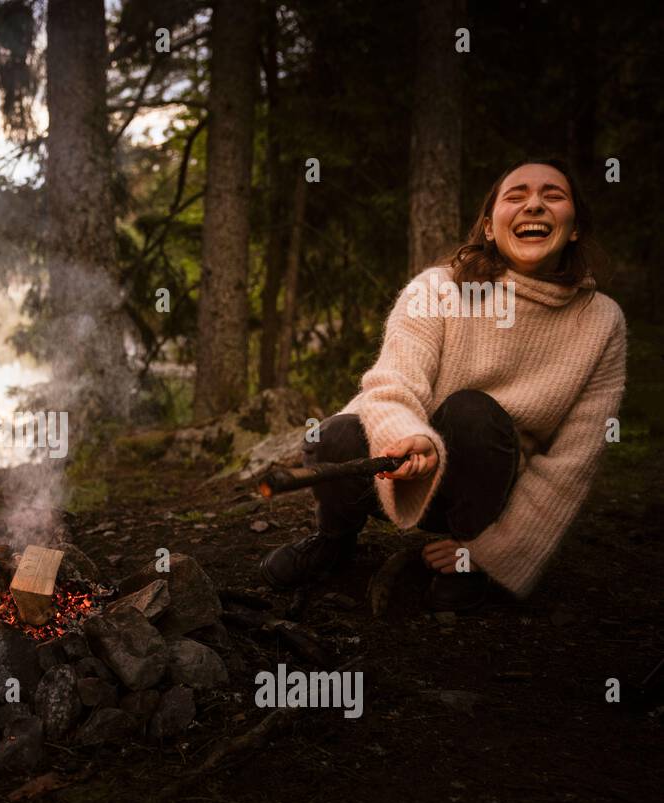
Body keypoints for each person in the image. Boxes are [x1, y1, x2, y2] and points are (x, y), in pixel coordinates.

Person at [260, 158, 627, 612]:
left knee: (473, 410)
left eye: (553, 195)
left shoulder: (602, 321)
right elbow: (394, 381)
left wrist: (496, 551)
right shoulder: (436, 287)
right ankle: (334, 538)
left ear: (574, 229)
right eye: (516, 196)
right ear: (490, 227)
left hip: (493, 492)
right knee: (333, 435)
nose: (534, 204)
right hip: (404, 470)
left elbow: (573, 460)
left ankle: (467, 555)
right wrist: (405, 437)